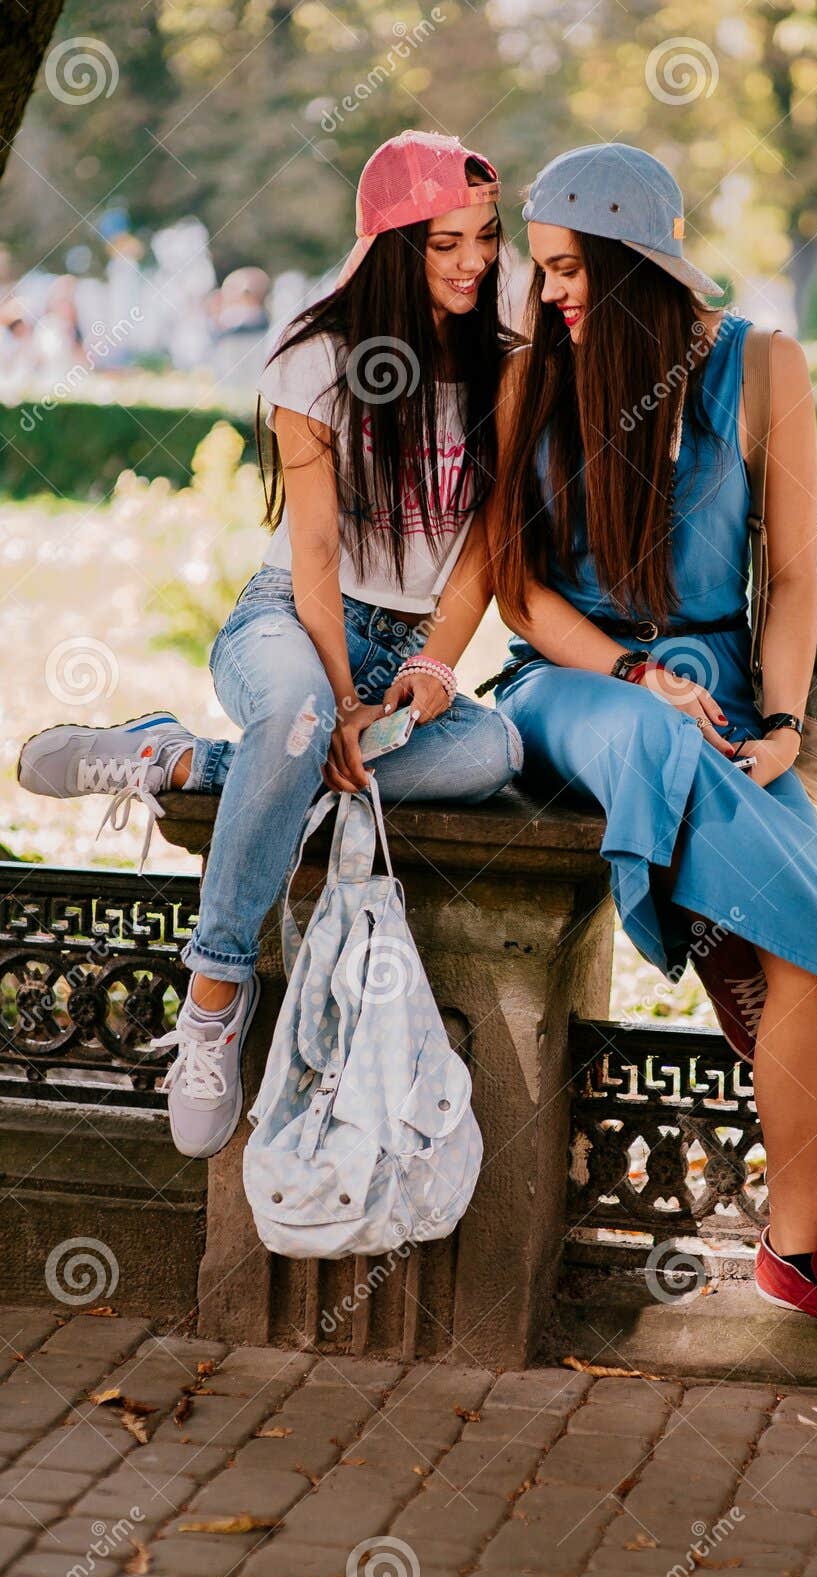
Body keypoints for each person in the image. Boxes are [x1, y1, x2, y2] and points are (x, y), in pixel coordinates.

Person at [484, 143, 817, 1364]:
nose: (550, 292)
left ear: (631, 263)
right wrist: (634, 672)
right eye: (542, 269)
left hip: (730, 695)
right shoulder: (529, 371)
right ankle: (709, 922)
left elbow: (789, 578)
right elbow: (520, 593)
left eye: (569, 268)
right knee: (650, 725)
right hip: (576, 684)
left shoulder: (763, 366)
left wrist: (782, 726)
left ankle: (799, 1254)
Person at [18, 131, 523, 1160]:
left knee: (493, 754)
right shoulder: (316, 353)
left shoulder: (503, 355)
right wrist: (336, 702)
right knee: (295, 719)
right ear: (391, 247)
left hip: (406, 648)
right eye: (445, 244)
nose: (474, 261)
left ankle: (179, 761)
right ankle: (214, 993)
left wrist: (433, 667)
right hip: (292, 617)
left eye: (486, 237)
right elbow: (317, 550)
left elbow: (487, 541)